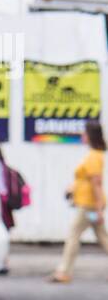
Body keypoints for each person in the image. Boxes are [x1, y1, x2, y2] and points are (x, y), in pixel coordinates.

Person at [50, 120, 108, 284]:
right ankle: (64, 271)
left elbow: (96, 183)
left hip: (89, 204)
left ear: (90, 135)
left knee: (73, 235)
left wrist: (98, 208)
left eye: (84, 133)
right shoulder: (92, 155)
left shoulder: (94, 156)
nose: (82, 135)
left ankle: (64, 271)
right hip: (87, 202)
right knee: (103, 237)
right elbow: (84, 179)